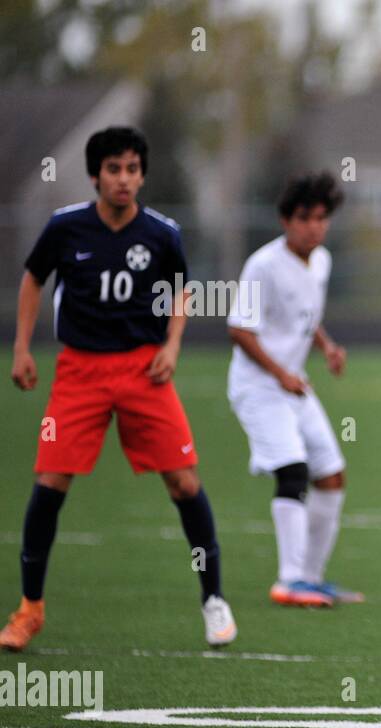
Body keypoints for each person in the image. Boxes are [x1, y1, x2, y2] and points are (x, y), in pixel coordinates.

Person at [3, 126, 235, 651]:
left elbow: (180, 291)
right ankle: (29, 609)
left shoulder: (162, 233)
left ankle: (214, 599)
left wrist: (172, 345)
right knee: (49, 482)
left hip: (142, 371)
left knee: (183, 482)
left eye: (132, 169)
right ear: (95, 175)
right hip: (79, 372)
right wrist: (21, 348)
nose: (124, 179)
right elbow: (33, 278)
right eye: (114, 169)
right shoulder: (66, 228)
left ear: (142, 174)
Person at [227, 172, 363, 608]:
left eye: (322, 218)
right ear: (286, 220)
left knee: (331, 475)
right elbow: (240, 329)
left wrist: (326, 347)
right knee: (293, 470)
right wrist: (280, 372)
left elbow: (305, 315)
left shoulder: (320, 261)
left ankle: (310, 577)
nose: (315, 226)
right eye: (305, 217)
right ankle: (288, 581)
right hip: (258, 387)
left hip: (293, 387)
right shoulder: (262, 265)